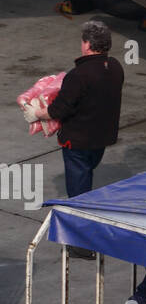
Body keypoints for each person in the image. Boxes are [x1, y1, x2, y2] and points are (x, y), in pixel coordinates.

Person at [23, 20, 123, 199]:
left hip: (78, 141)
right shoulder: (115, 67)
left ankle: (79, 218)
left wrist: (36, 113)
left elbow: (58, 110)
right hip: (102, 137)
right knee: (87, 173)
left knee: (78, 190)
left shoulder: (78, 75)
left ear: (87, 44)